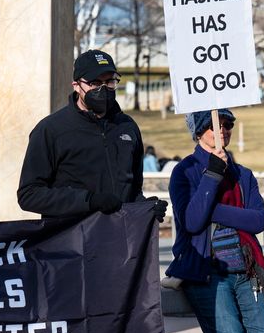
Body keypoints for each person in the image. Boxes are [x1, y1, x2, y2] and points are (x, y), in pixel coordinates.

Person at [166, 109, 264, 333]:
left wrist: (213, 211)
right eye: (215, 125)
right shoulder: (184, 172)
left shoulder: (243, 174)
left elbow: (257, 220)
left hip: (248, 270)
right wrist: (212, 177)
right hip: (209, 275)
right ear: (198, 132)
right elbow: (192, 221)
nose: (223, 130)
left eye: (228, 124)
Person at [17, 49, 167, 222]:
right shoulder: (50, 130)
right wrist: (88, 201)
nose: (103, 88)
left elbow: (132, 190)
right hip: (70, 241)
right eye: (95, 83)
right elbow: (29, 194)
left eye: (110, 81)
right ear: (76, 85)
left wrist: (145, 208)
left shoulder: (127, 127)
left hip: (117, 239)